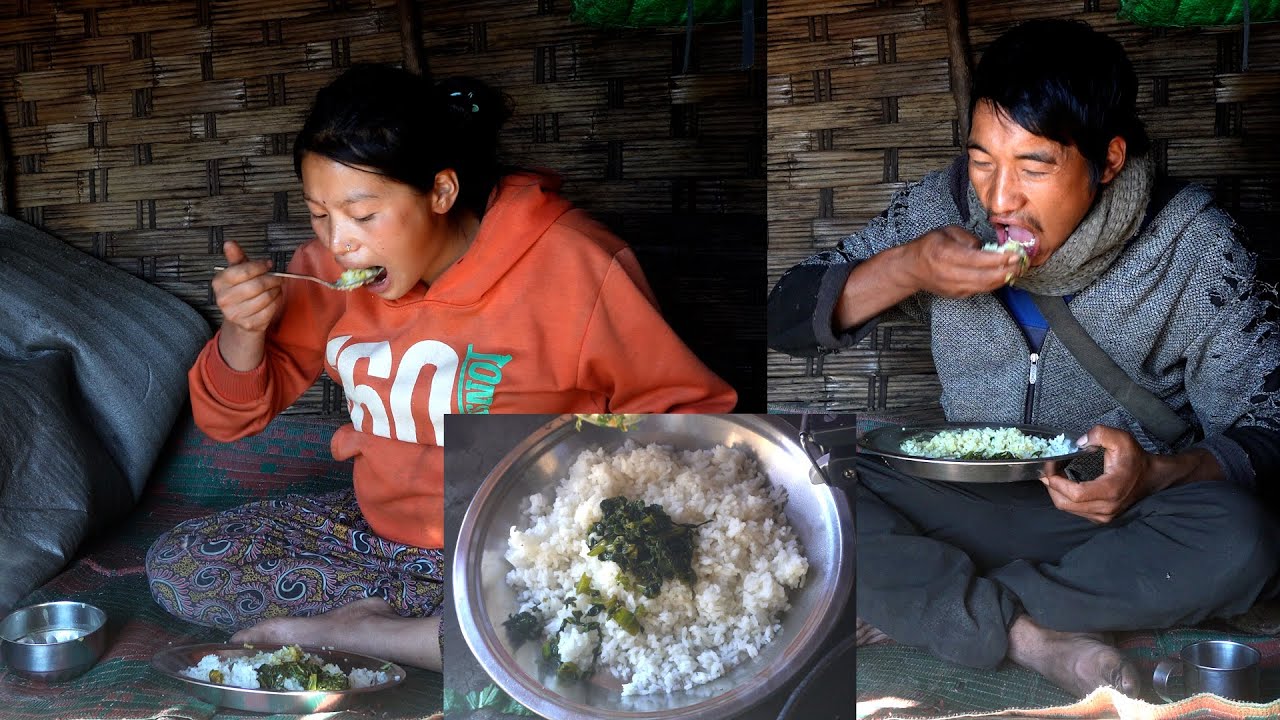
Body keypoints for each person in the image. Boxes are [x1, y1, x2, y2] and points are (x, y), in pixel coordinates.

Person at [145, 63, 737, 673]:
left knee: (640, 604)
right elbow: (226, 420)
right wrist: (243, 330)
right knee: (184, 567)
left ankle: (384, 637)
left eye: (362, 215)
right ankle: (449, 632)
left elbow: (691, 419)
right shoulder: (323, 272)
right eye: (320, 214)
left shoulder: (574, 263)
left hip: (523, 546)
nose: (340, 242)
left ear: (441, 192)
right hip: (385, 544)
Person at [768, 19, 1280, 697]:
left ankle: (922, 601)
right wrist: (905, 268)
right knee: (794, 475)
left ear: (1108, 160)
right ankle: (1029, 635)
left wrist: (1154, 475)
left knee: (1245, 538)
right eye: (983, 160)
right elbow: (785, 318)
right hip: (955, 502)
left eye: (1034, 166)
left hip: (1108, 525)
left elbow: (1267, 436)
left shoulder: (1195, 247)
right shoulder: (940, 208)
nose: (999, 198)